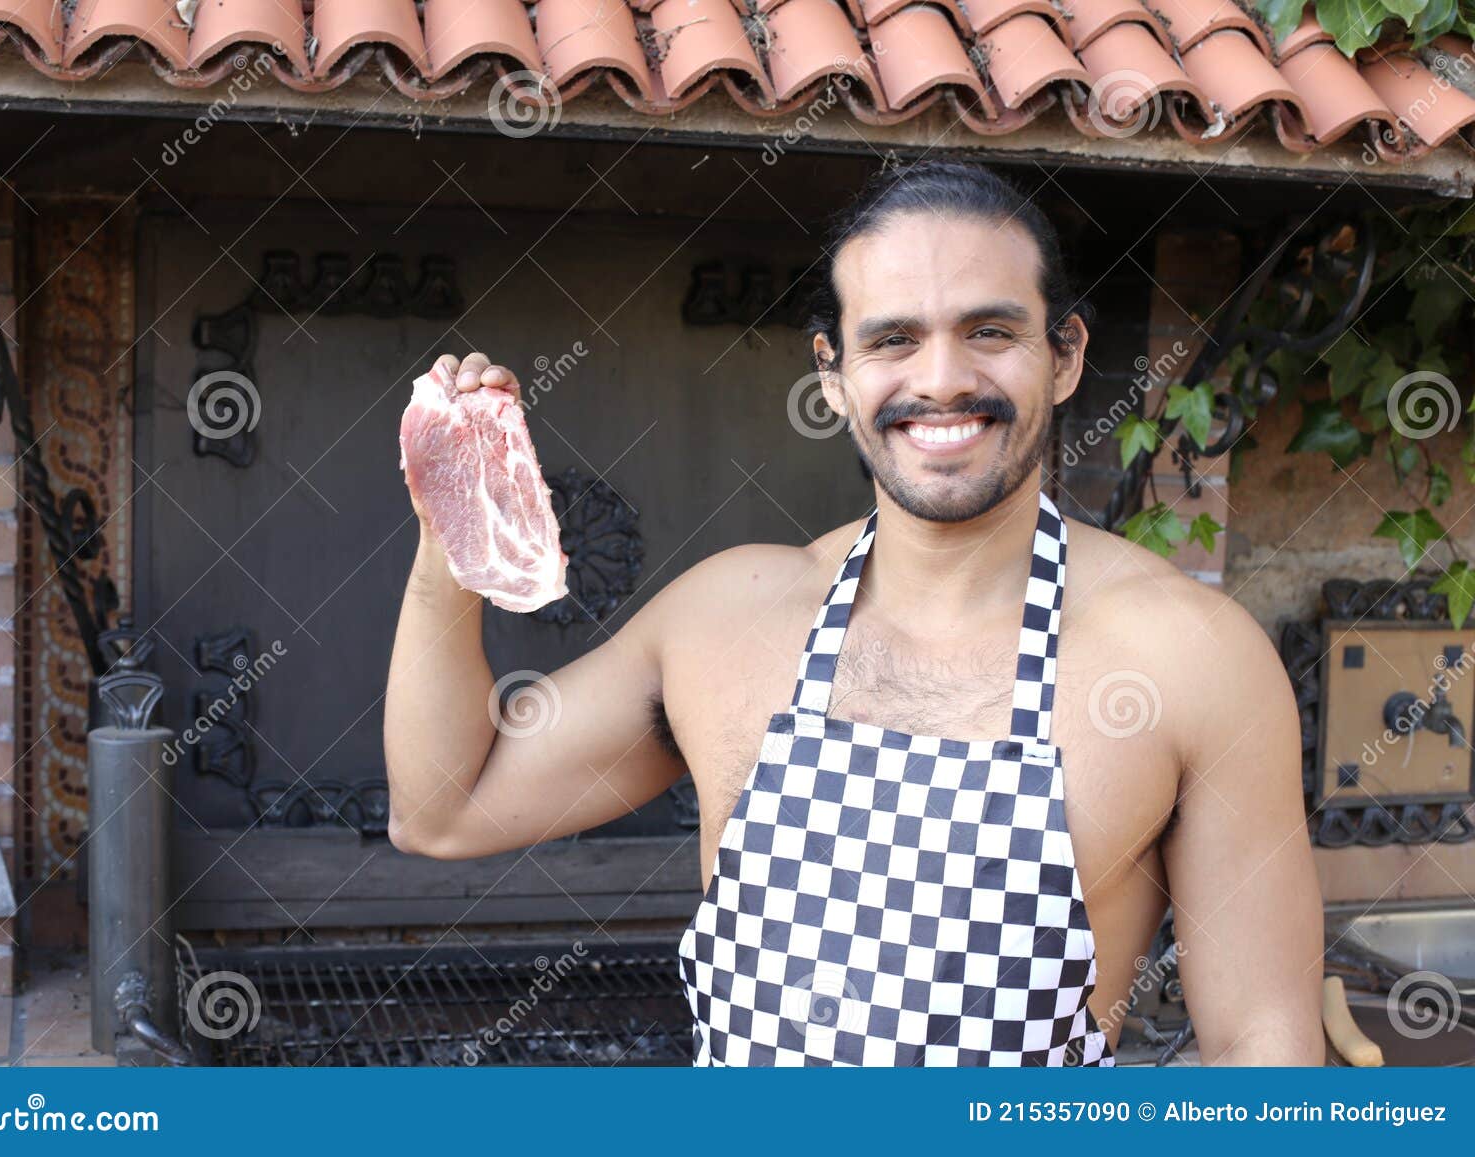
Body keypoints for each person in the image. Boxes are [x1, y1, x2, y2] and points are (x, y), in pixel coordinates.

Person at [384, 160, 1324, 1067]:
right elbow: (444, 810)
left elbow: (1262, 1048)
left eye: (991, 331)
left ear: (1066, 355)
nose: (943, 378)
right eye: (893, 339)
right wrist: (454, 529)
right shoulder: (728, 613)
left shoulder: (1190, 658)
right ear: (832, 373)